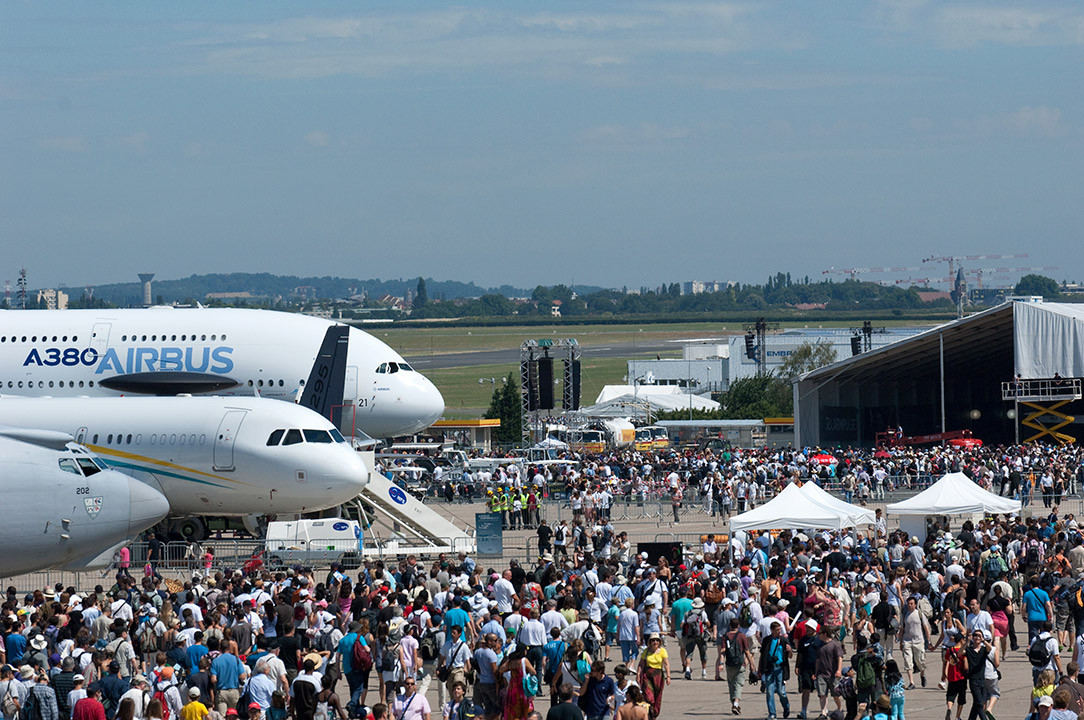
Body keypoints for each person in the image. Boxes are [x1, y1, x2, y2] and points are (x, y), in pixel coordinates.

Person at [759, 621, 791, 720]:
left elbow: (790, 656)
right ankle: (772, 713)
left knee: (781, 692)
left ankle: (786, 706)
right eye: (777, 630)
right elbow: (762, 655)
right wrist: (760, 669)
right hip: (770, 668)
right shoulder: (766, 640)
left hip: (780, 668)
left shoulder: (783, 640)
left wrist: (789, 650)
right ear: (772, 630)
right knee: (769, 691)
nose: (779, 631)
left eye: (780, 629)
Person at [635, 635, 668, 720]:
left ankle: (653, 714)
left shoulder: (662, 651)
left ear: (659, 642)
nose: (655, 642)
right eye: (653, 640)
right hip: (647, 675)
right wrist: (638, 674)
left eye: (657, 640)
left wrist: (668, 676)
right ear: (650, 642)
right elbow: (641, 664)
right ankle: (649, 712)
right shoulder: (646, 651)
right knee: (649, 697)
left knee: (657, 696)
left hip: (658, 676)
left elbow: (666, 664)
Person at [498, 646, 536, 720]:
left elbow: (501, 669)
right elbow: (533, 672)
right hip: (522, 686)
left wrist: (510, 666)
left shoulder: (511, 661)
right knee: (523, 707)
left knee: (513, 707)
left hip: (512, 686)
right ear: (524, 651)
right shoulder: (524, 660)